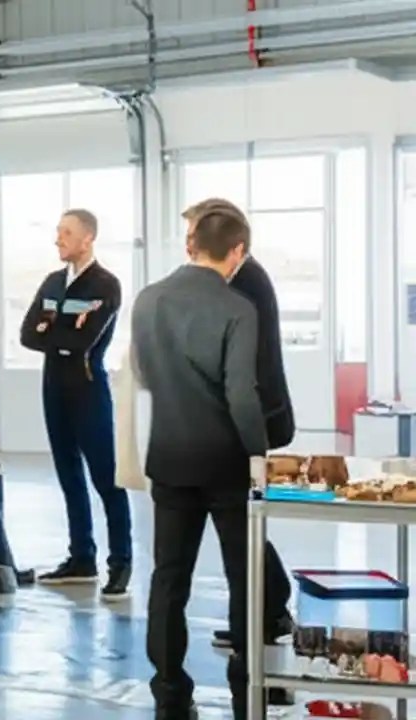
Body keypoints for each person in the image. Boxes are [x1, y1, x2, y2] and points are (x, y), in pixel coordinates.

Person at [131, 202, 267, 720]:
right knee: (242, 580)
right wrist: (259, 456)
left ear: (192, 244)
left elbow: (144, 374)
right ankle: (243, 692)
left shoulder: (148, 300)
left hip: (168, 456)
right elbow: (242, 395)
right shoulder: (237, 309)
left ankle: (169, 694)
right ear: (236, 251)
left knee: (168, 580)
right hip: (226, 464)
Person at [183, 199, 297, 654]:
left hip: (253, 416)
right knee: (240, 518)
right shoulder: (238, 278)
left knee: (240, 519)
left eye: (195, 234)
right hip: (244, 414)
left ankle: (266, 612)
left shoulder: (243, 281)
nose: (191, 245)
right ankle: (266, 610)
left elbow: (236, 358)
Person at [19, 209, 132, 600]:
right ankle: (81, 558)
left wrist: (53, 330)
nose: (58, 239)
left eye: (66, 232)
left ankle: (120, 564)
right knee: (69, 476)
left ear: (88, 238)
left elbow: (82, 344)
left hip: (88, 390)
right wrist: (62, 333)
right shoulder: (53, 281)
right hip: (53, 389)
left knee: (106, 480)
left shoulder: (106, 285)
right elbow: (26, 335)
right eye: (57, 231)